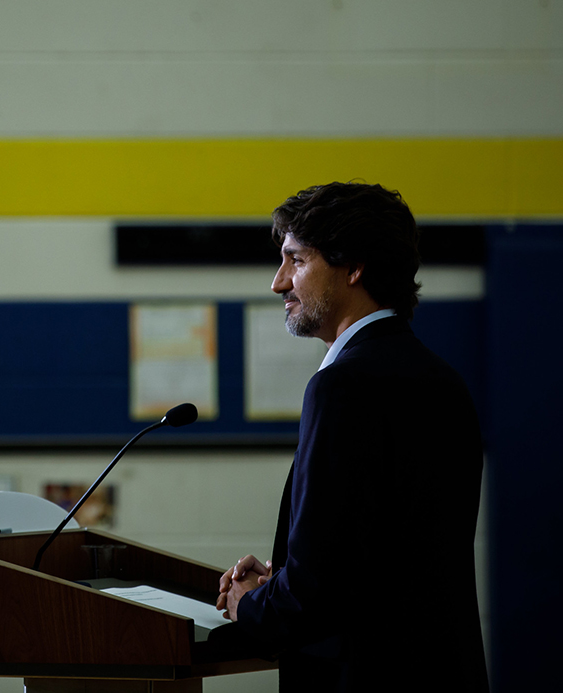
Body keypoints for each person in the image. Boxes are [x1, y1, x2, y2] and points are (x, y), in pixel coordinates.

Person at [215, 182, 487, 692]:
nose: (278, 282)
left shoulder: (342, 386)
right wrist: (282, 580)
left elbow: (315, 595)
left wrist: (249, 602)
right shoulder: (444, 380)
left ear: (354, 267)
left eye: (296, 260)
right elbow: (383, 560)